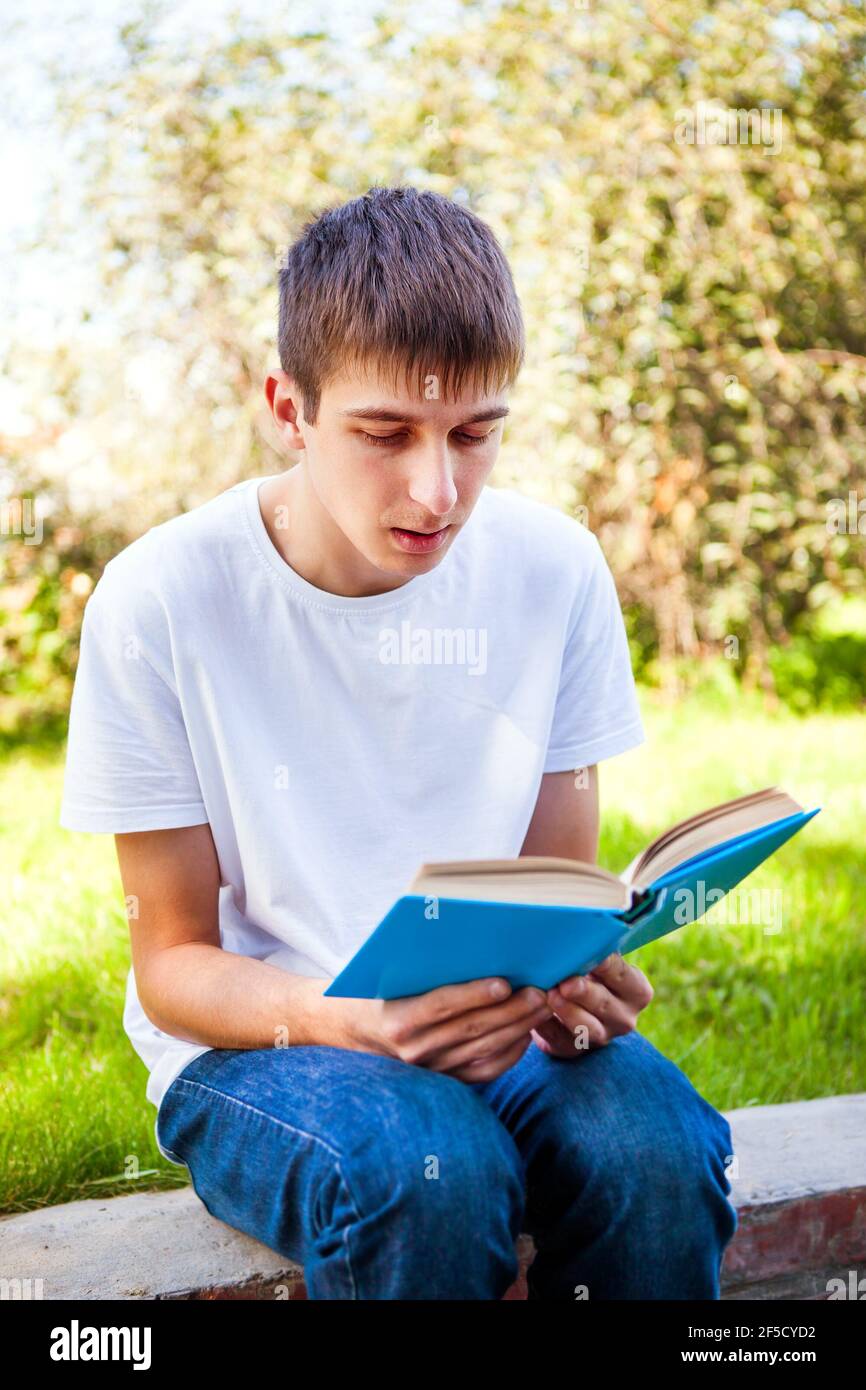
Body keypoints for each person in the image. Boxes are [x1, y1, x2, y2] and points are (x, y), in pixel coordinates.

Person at [60, 185, 738, 1300]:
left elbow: (550, 888)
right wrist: (355, 1021)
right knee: (426, 1171)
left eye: (476, 434)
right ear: (287, 406)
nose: (438, 489)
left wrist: (568, 990)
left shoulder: (551, 569)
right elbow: (171, 963)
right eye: (384, 434)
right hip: (258, 1047)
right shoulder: (162, 598)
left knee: (652, 1148)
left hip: (491, 1026)